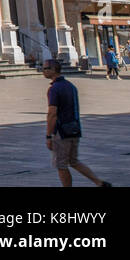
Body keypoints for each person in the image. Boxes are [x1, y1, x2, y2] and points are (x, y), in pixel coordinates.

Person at [43, 58, 111, 187]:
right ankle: (99, 182)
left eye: (46, 68)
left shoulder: (54, 88)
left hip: (62, 132)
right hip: (74, 128)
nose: (43, 71)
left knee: (61, 165)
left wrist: (49, 135)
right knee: (73, 161)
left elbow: (52, 113)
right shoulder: (70, 86)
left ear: (53, 70)